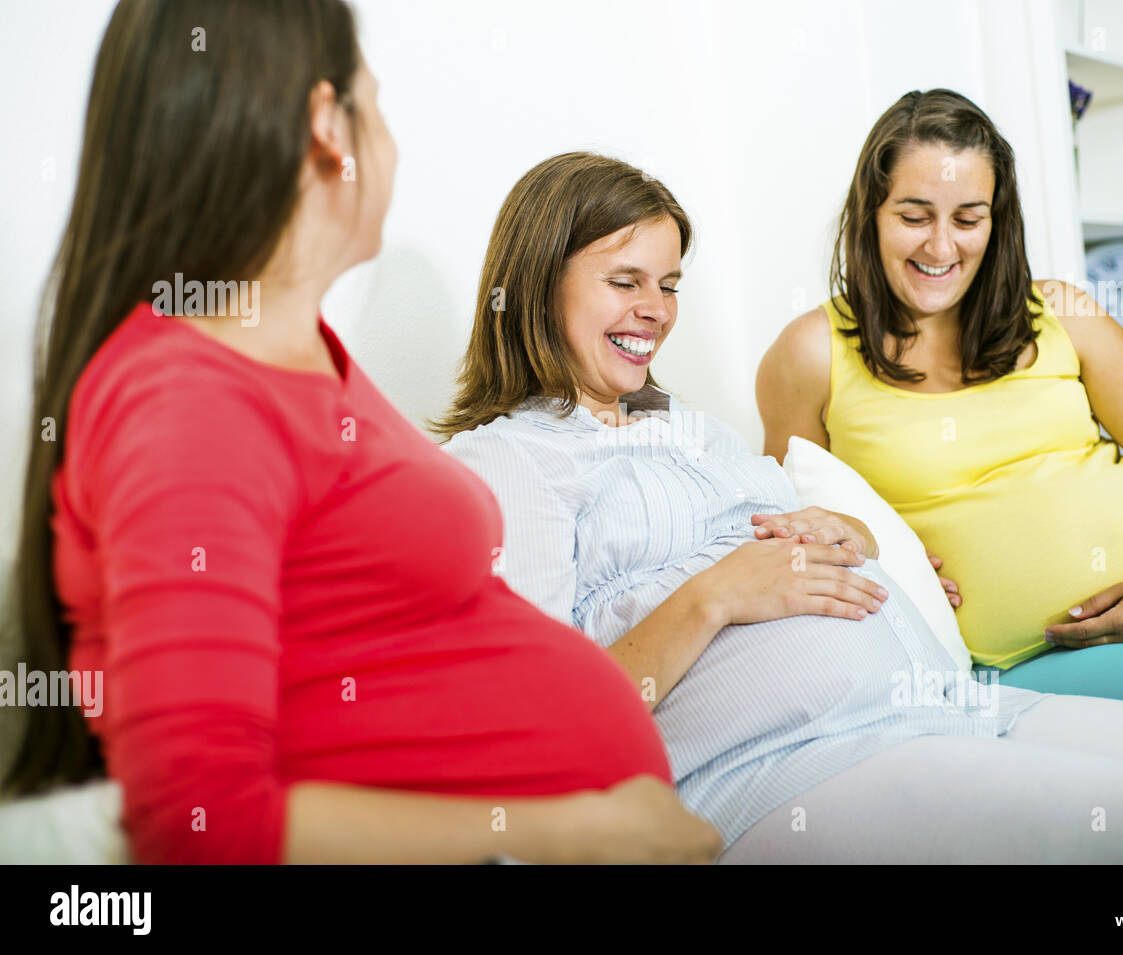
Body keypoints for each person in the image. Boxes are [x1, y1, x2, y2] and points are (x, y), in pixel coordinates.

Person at [2, 0, 720, 865]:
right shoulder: (187, 397)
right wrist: (566, 830)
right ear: (326, 126)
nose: (393, 144)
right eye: (375, 106)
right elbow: (201, 821)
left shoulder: (305, 357)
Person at [438, 151, 1123, 863]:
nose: (655, 311)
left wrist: (852, 535)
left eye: (668, 284)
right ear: (537, 282)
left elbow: (795, 538)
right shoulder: (506, 461)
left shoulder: (691, 432)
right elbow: (543, 727)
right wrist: (715, 595)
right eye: (624, 279)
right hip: (786, 768)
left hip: (951, 706)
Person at [757, 88, 1123, 738]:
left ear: (998, 219)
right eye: (914, 214)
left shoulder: (1061, 313)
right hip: (1038, 656)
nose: (940, 244)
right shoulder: (810, 353)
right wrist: (883, 555)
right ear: (870, 213)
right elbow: (787, 538)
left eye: (968, 217)